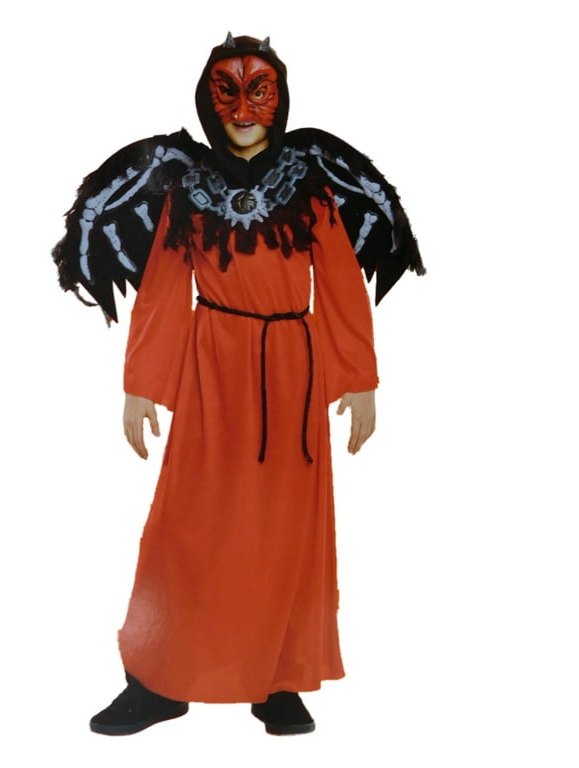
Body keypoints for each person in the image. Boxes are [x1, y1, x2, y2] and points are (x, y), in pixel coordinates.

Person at [52, 33, 424, 736]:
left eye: (260, 92)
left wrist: (359, 378)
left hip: (291, 370)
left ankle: (277, 679)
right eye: (229, 92)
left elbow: (340, 281)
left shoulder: (309, 183)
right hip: (212, 368)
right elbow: (164, 285)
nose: (245, 110)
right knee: (189, 523)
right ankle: (161, 680)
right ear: (208, 100)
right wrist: (141, 384)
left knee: (285, 527)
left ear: (279, 100)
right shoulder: (187, 185)